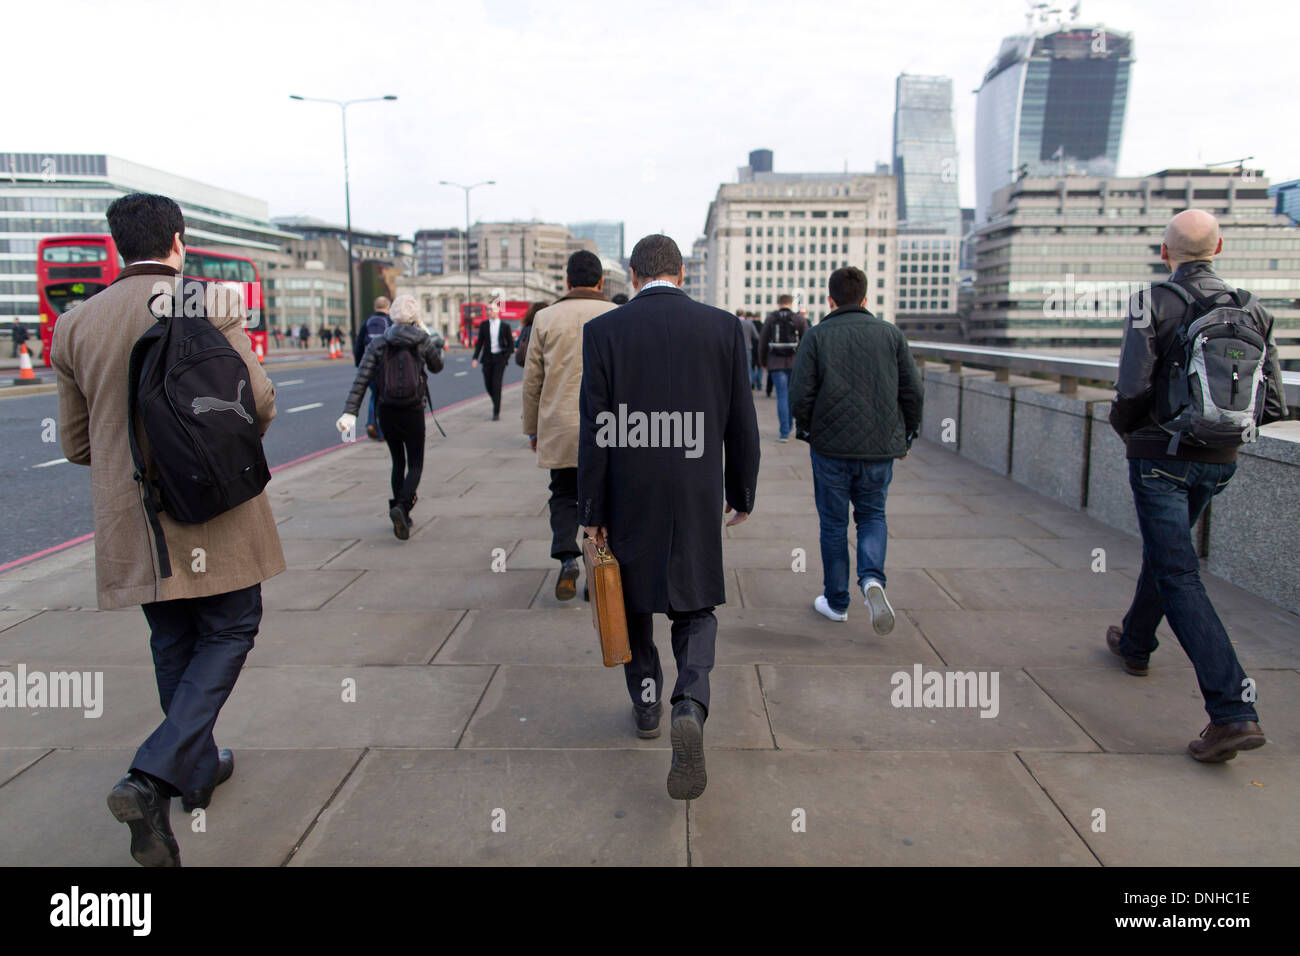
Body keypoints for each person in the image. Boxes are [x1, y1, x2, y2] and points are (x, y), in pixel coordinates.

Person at [51, 193, 284, 867]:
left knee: (173, 636)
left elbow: (74, 443)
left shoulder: (76, 325)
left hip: (136, 516)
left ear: (119, 246)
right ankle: (152, 777)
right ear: (178, 242)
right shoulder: (207, 302)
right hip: (212, 502)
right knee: (233, 625)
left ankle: (198, 769)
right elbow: (259, 401)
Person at [579, 234, 760, 800]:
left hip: (630, 491)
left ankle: (649, 702)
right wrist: (741, 491)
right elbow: (741, 422)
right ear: (681, 272)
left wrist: (592, 510)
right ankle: (690, 701)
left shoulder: (603, 331)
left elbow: (595, 427)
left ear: (633, 276)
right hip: (694, 489)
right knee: (696, 604)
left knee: (633, 603)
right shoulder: (723, 328)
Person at [1107, 208, 1288, 763]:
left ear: (1166, 254)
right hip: (1220, 458)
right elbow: (1276, 402)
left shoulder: (1151, 302)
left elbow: (1132, 389)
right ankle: (1136, 642)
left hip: (1161, 456)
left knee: (1179, 573)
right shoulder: (1252, 309)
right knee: (1172, 557)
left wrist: (1129, 432)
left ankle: (1232, 710)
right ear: (1220, 248)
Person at [789, 266, 922, 633]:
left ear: (830, 300)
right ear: (865, 300)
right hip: (879, 448)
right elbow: (913, 391)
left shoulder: (816, 336)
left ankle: (836, 602)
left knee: (833, 525)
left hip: (831, 448)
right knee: (872, 516)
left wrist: (809, 429)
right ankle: (872, 581)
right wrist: (906, 436)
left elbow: (800, 394)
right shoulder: (891, 335)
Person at [522, 253, 615, 600]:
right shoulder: (617, 315)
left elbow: (532, 380)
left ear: (567, 282)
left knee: (563, 493)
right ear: (601, 281)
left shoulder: (545, 318)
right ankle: (598, 574)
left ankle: (566, 558)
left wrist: (532, 428)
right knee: (606, 497)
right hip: (608, 426)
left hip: (560, 422)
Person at [337, 294, 445, 540]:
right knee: (416, 463)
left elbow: (361, 379)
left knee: (398, 462)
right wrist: (433, 342)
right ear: (415, 316)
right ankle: (403, 507)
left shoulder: (379, 343)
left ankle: (402, 513)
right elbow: (438, 367)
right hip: (413, 409)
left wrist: (350, 412)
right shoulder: (422, 340)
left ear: (392, 315)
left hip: (387, 410)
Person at [758, 294, 809, 442]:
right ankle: (791, 425)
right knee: (792, 396)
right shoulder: (799, 319)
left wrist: (763, 361)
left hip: (775, 362)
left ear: (778, 303)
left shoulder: (771, 318)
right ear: (790, 303)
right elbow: (807, 341)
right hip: (795, 362)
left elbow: (763, 341)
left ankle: (784, 432)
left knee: (782, 396)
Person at [354, 297, 393, 440]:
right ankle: (381, 430)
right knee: (383, 398)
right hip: (385, 367)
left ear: (375, 307)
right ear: (388, 307)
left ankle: (371, 424)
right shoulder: (390, 322)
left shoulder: (367, 322)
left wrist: (359, 364)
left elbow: (358, 345)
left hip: (369, 367)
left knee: (374, 396)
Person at [472, 301, 514, 420]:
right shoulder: (484, 325)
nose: (488, 312)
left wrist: (505, 357)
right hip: (487, 358)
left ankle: (496, 411)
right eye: (487, 309)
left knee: (496, 385)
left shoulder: (505, 326)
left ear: (496, 311)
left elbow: (511, 345)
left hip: (499, 359)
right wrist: (475, 357)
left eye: (490, 309)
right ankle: (495, 400)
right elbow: (480, 342)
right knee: (488, 385)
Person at [514, 300, 548, 369]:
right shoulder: (549, 327)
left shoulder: (527, 328)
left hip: (530, 363)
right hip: (547, 363)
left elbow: (517, 346)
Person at [738, 310, 760, 391]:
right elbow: (756, 336)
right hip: (747, 347)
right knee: (748, 367)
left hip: (735, 348)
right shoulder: (749, 323)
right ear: (743, 315)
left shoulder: (733, 321)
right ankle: (749, 384)